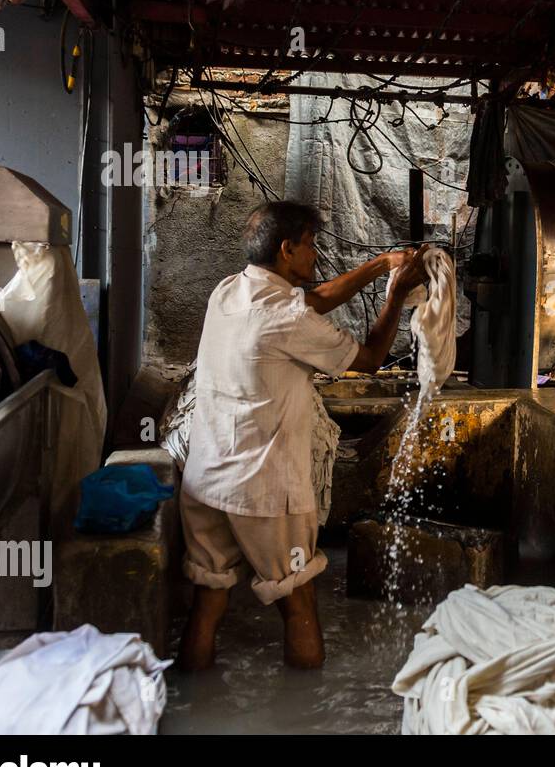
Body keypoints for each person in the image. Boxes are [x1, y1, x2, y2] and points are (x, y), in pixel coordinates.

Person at [177, 201, 427, 670]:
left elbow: (315, 299)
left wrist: (378, 265)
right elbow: (371, 358)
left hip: (206, 481)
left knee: (208, 598)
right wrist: (397, 293)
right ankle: (307, 710)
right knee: (299, 603)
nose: (315, 255)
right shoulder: (288, 319)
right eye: (310, 245)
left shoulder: (227, 292)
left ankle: (192, 691)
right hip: (264, 492)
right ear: (287, 250)